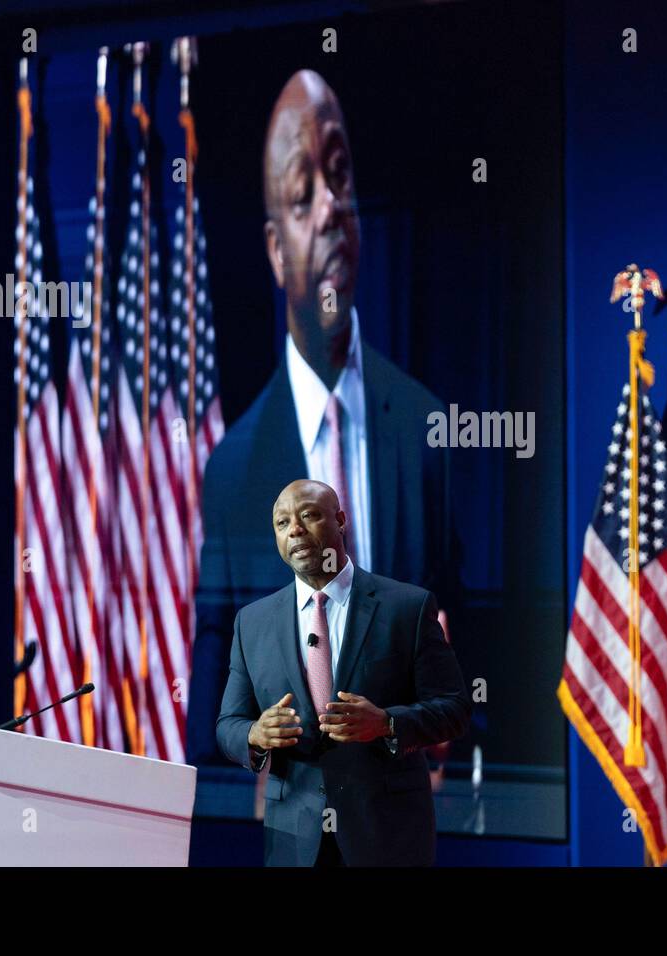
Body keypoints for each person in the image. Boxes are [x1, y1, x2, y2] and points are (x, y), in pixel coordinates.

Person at [188, 69, 460, 766]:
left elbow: (469, 666)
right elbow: (214, 709)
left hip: (407, 823)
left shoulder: (429, 431)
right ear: (277, 250)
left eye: (339, 177)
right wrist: (250, 743)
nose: (331, 206)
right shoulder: (233, 470)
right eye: (302, 194)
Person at [217, 479, 469, 865]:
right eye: (282, 523)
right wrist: (255, 733)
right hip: (294, 837)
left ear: (341, 520)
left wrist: (386, 724)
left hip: (386, 833)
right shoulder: (252, 623)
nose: (295, 529)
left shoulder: (407, 608)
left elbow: (453, 710)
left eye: (309, 516)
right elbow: (227, 723)